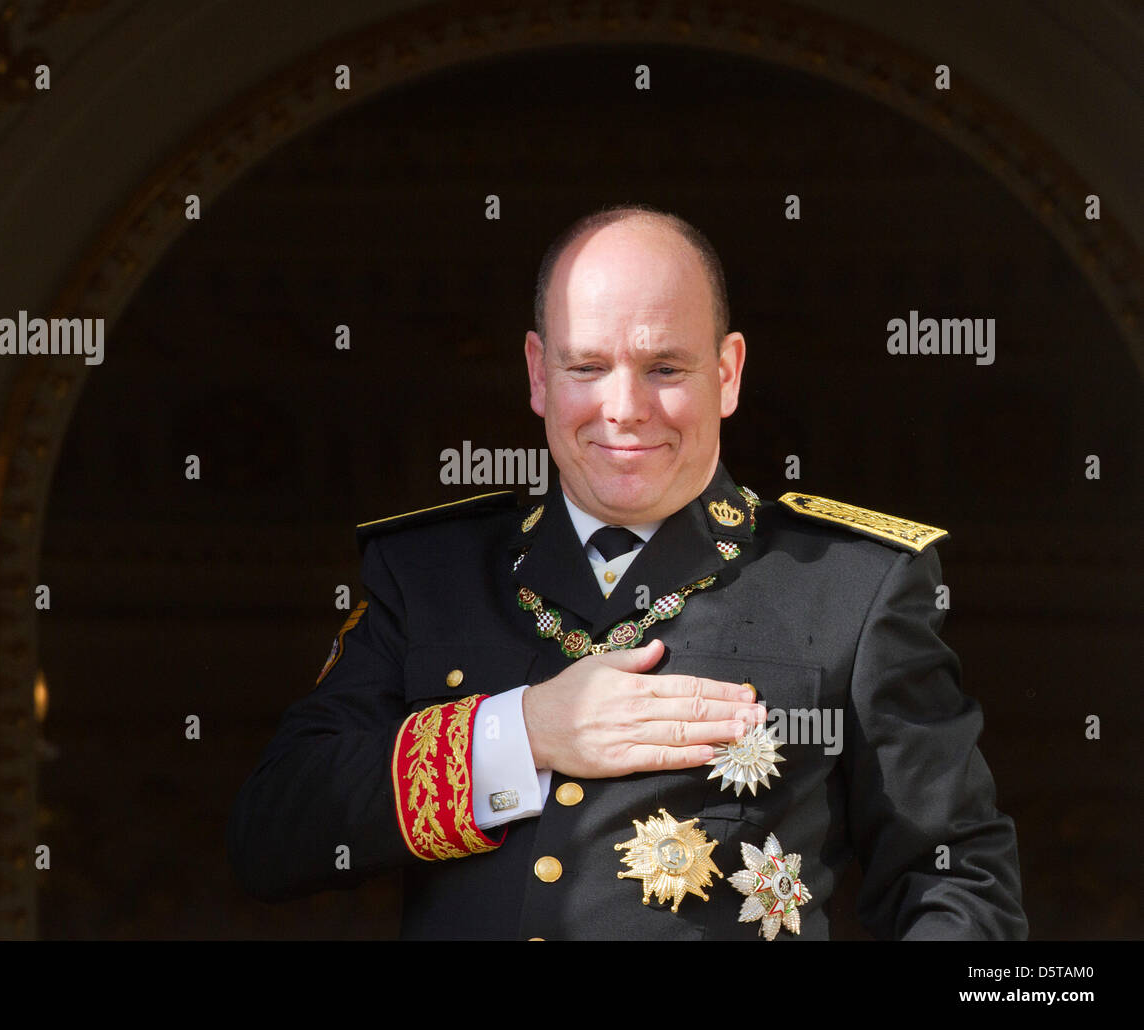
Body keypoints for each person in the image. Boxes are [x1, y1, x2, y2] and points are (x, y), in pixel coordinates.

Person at [227, 204, 1027, 940]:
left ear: (729, 371)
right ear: (538, 374)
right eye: (587, 368)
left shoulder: (852, 586)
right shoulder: (429, 573)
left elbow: (955, 881)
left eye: (665, 369)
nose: (624, 408)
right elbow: (274, 834)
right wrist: (524, 733)